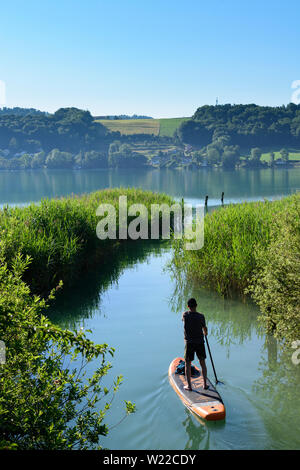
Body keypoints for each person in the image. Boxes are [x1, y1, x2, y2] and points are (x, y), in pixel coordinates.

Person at [182, 298, 208, 391]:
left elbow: (183, 320)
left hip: (190, 343)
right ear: (196, 305)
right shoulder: (201, 316)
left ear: (188, 306)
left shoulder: (185, 315)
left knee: (187, 364)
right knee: (202, 363)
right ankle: (205, 384)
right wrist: (205, 332)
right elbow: (204, 328)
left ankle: (189, 386)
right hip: (200, 342)